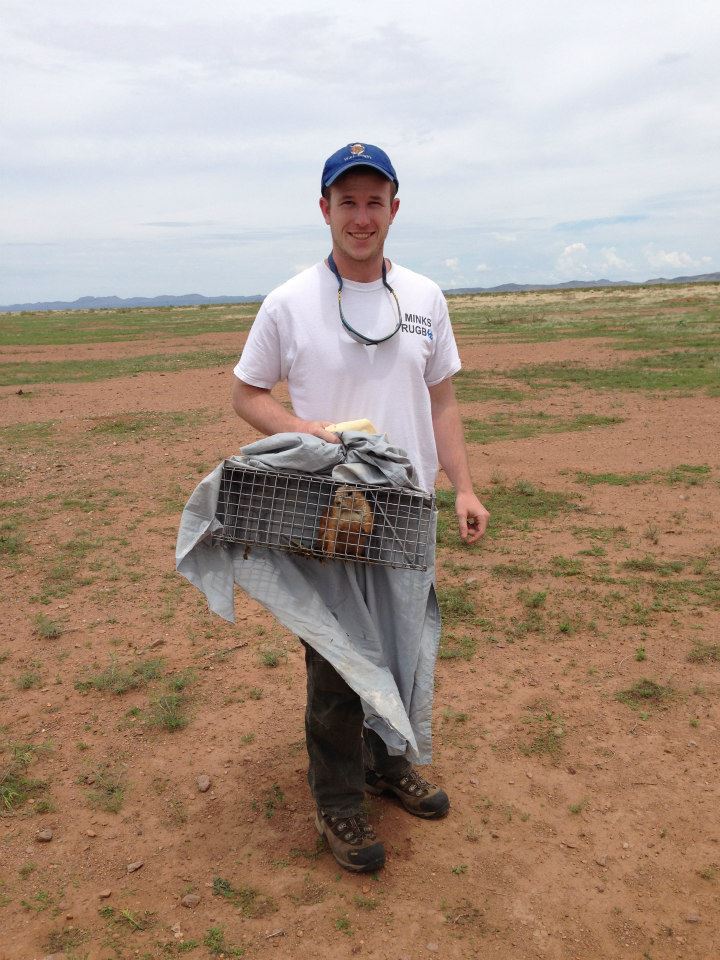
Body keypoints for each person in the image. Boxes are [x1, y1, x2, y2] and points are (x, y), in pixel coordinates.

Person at [232, 142, 489, 873]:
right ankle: (339, 798)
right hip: (334, 510)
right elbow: (246, 393)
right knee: (339, 659)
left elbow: (442, 402)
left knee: (402, 645)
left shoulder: (425, 299)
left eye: (375, 201)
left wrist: (463, 486)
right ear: (325, 210)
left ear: (394, 210)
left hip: (408, 511)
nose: (361, 216)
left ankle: (385, 763)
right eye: (347, 201)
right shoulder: (290, 302)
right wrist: (300, 429)